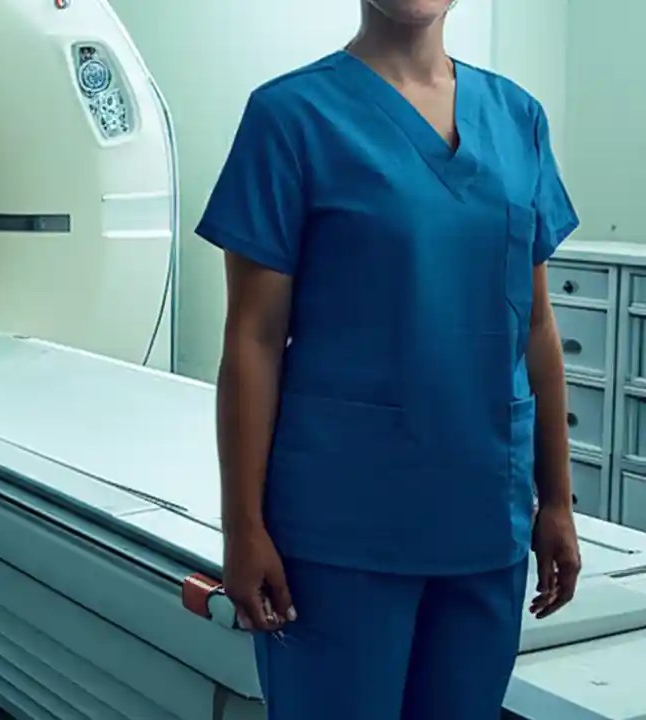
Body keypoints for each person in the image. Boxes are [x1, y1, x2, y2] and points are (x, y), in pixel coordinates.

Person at [196, 1, 583, 717]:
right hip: (340, 527)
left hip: (485, 516)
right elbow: (252, 340)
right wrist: (242, 527)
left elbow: (534, 324)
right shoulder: (291, 116)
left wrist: (556, 500)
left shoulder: (517, 116)